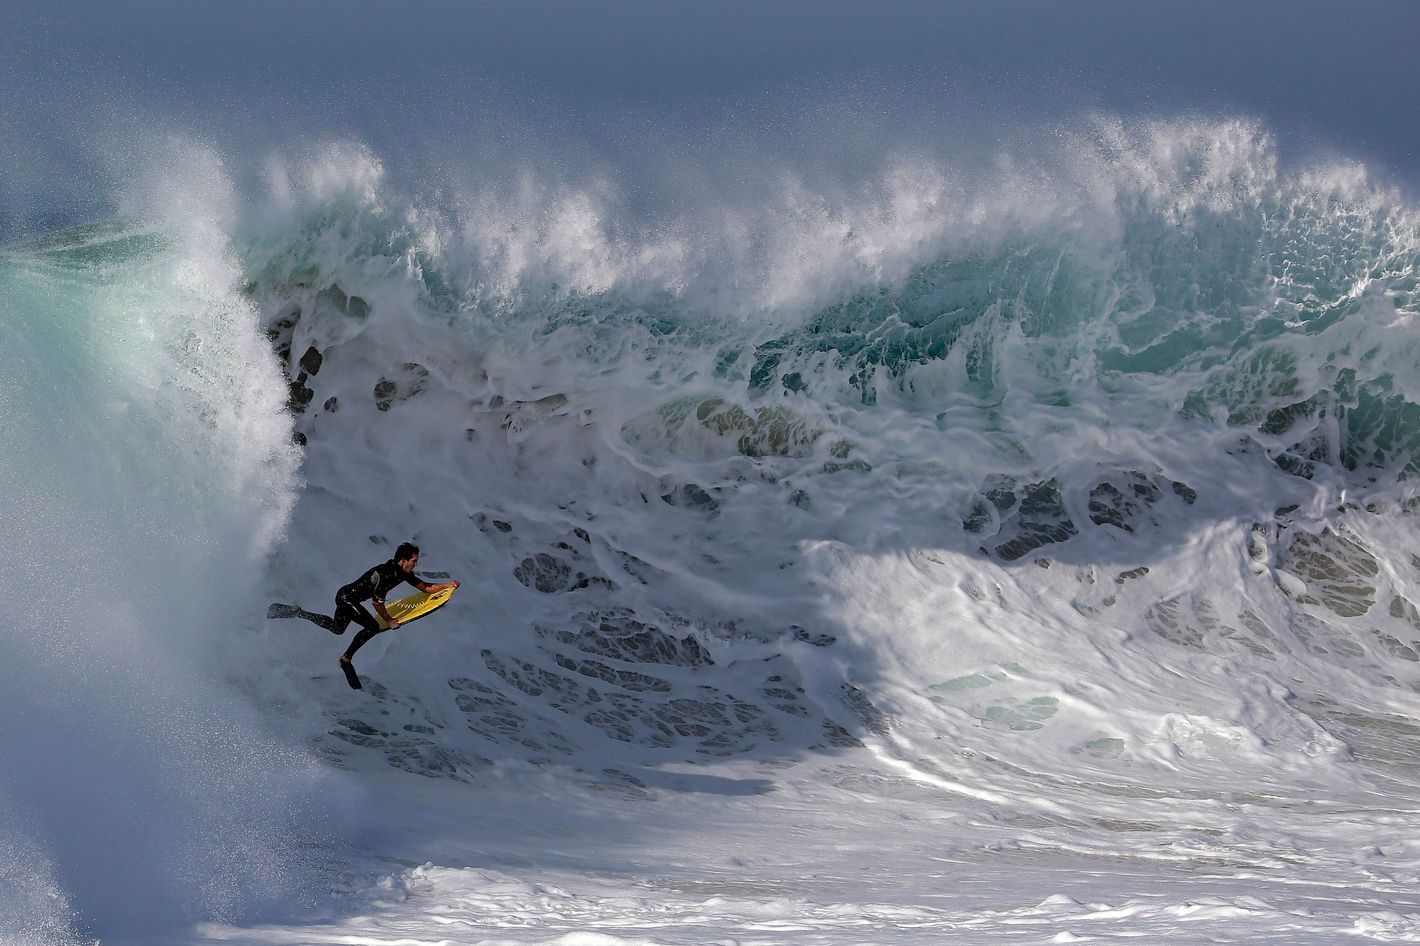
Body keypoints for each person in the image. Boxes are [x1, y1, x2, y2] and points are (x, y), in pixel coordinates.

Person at [269, 542, 459, 688]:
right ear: (403, 560)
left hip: (348, 598)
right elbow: (377, 603)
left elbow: (425, 588)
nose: (415, 564)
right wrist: (389, 620)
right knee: (373, 627)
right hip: (346, 598)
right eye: (414, 561)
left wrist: (447, 585)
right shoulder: (386, 573)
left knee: (337, 629)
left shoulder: (403, 573)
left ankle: (297, 612)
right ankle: (346, 659)